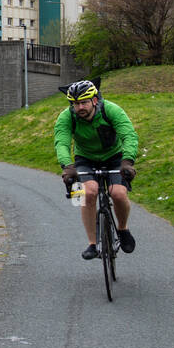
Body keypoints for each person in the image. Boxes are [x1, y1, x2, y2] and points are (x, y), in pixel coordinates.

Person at [54, 80, 138, 260]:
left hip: (114, 157)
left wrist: (128, 161)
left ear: (94, 100)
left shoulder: (111, 110)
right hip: (85, 158)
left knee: (118, 194)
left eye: (84, 102)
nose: (79, 107)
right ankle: (92, 243)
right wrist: (67, 167)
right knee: (88, 193)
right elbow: (61, 142)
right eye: (75, 104)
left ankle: (122, 229)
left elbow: (128, 134)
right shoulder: (67, 117)